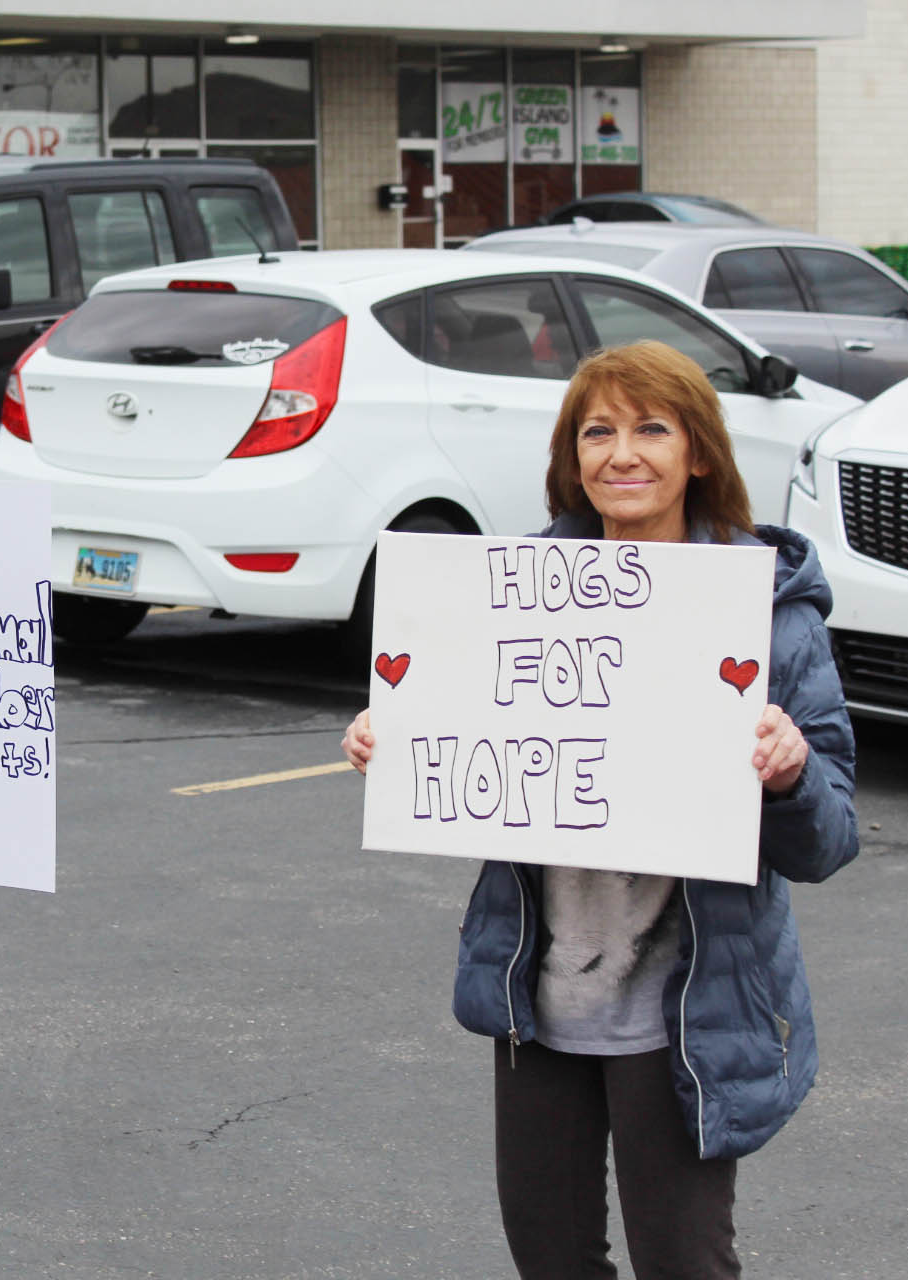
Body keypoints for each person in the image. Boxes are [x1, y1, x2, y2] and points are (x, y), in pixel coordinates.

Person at [341, 340, 858, 1279]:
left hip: (684, 1015)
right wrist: (397, 739)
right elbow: (465, 750)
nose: (623, 453)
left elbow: (829, 841)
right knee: (551, 1258)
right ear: (571, 457)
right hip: (537, 1002)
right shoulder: (509, 602)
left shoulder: (769, 615)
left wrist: (790, 774)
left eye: (652, 429)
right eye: (598, 431)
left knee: (683, 1265)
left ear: (699, 453)